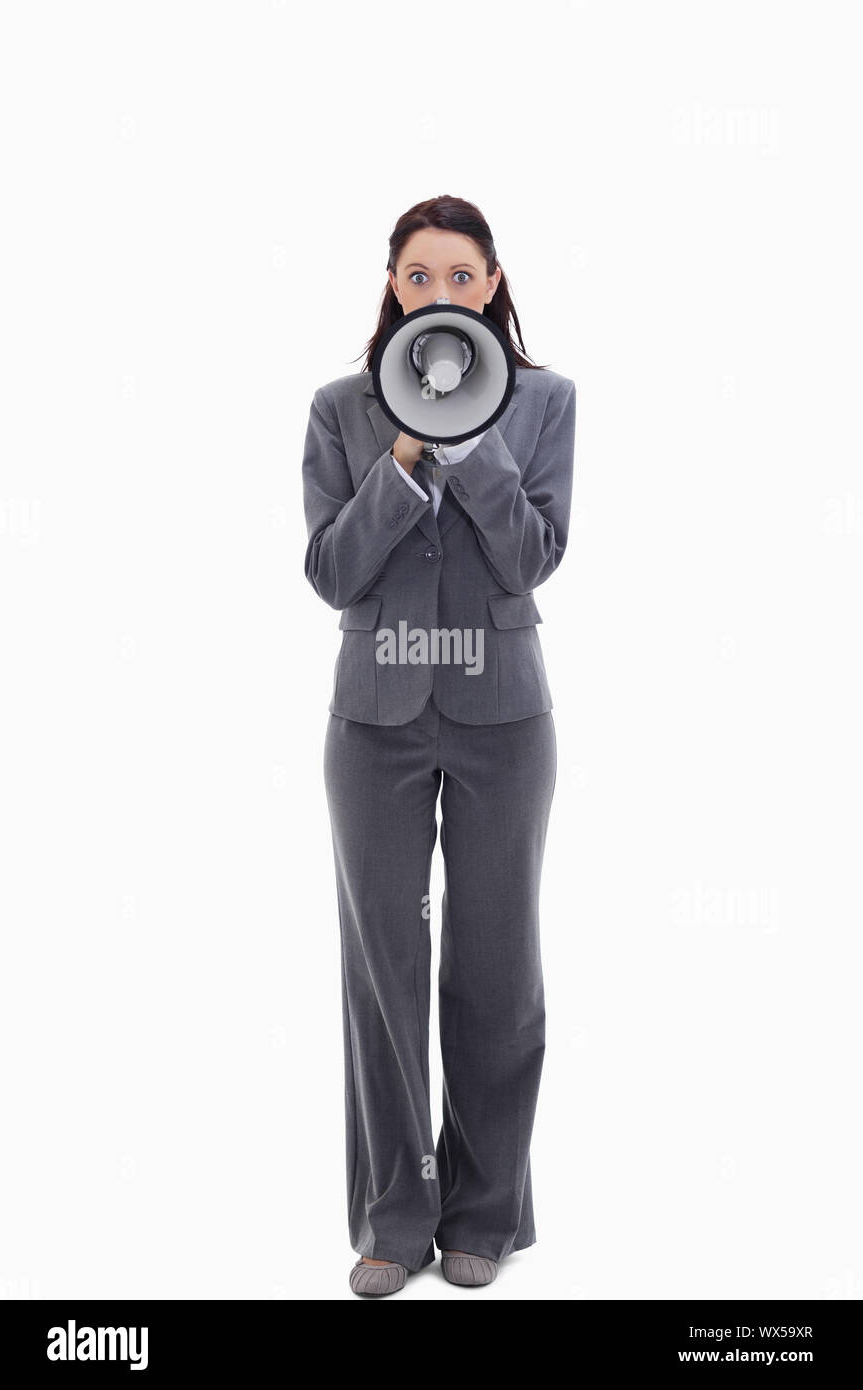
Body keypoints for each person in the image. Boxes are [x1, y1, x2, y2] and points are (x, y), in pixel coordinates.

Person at [301, 194, 577, 1296]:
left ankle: (484, 1213)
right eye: (419, 276)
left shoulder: (545, 403)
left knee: (495, 970)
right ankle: (391, 1217)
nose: (440, 294)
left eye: (461, 276)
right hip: (371, 723)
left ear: (494, 286)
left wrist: (471, 451)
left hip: (504, 717)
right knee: (382, 973)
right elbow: (330, 570)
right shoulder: (339, 409)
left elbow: (533, 559)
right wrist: (405, 454)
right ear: (391, 289)